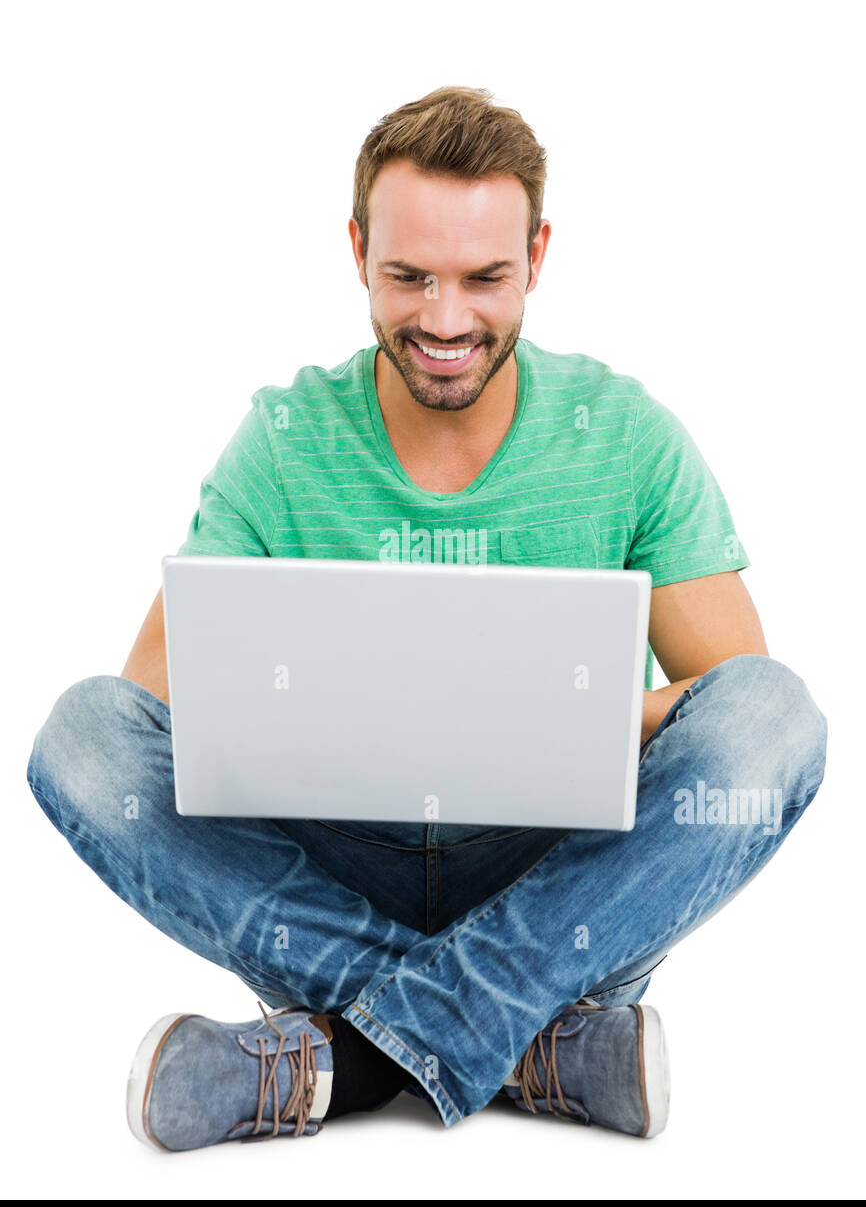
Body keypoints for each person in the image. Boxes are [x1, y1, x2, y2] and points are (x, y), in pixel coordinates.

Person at [26, 86, 827, 1151]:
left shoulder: (624, 435)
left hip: (554, 879)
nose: (444, 320)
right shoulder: (283, 438)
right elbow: (154, 711)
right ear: (356, 250)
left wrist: (561, 715)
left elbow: (734, 707)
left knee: (782, 719)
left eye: (484, 278)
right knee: (78, 734)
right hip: (332, 867)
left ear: (537, 257)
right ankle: (533, 1044)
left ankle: (339, 1055)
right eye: (408, 276)